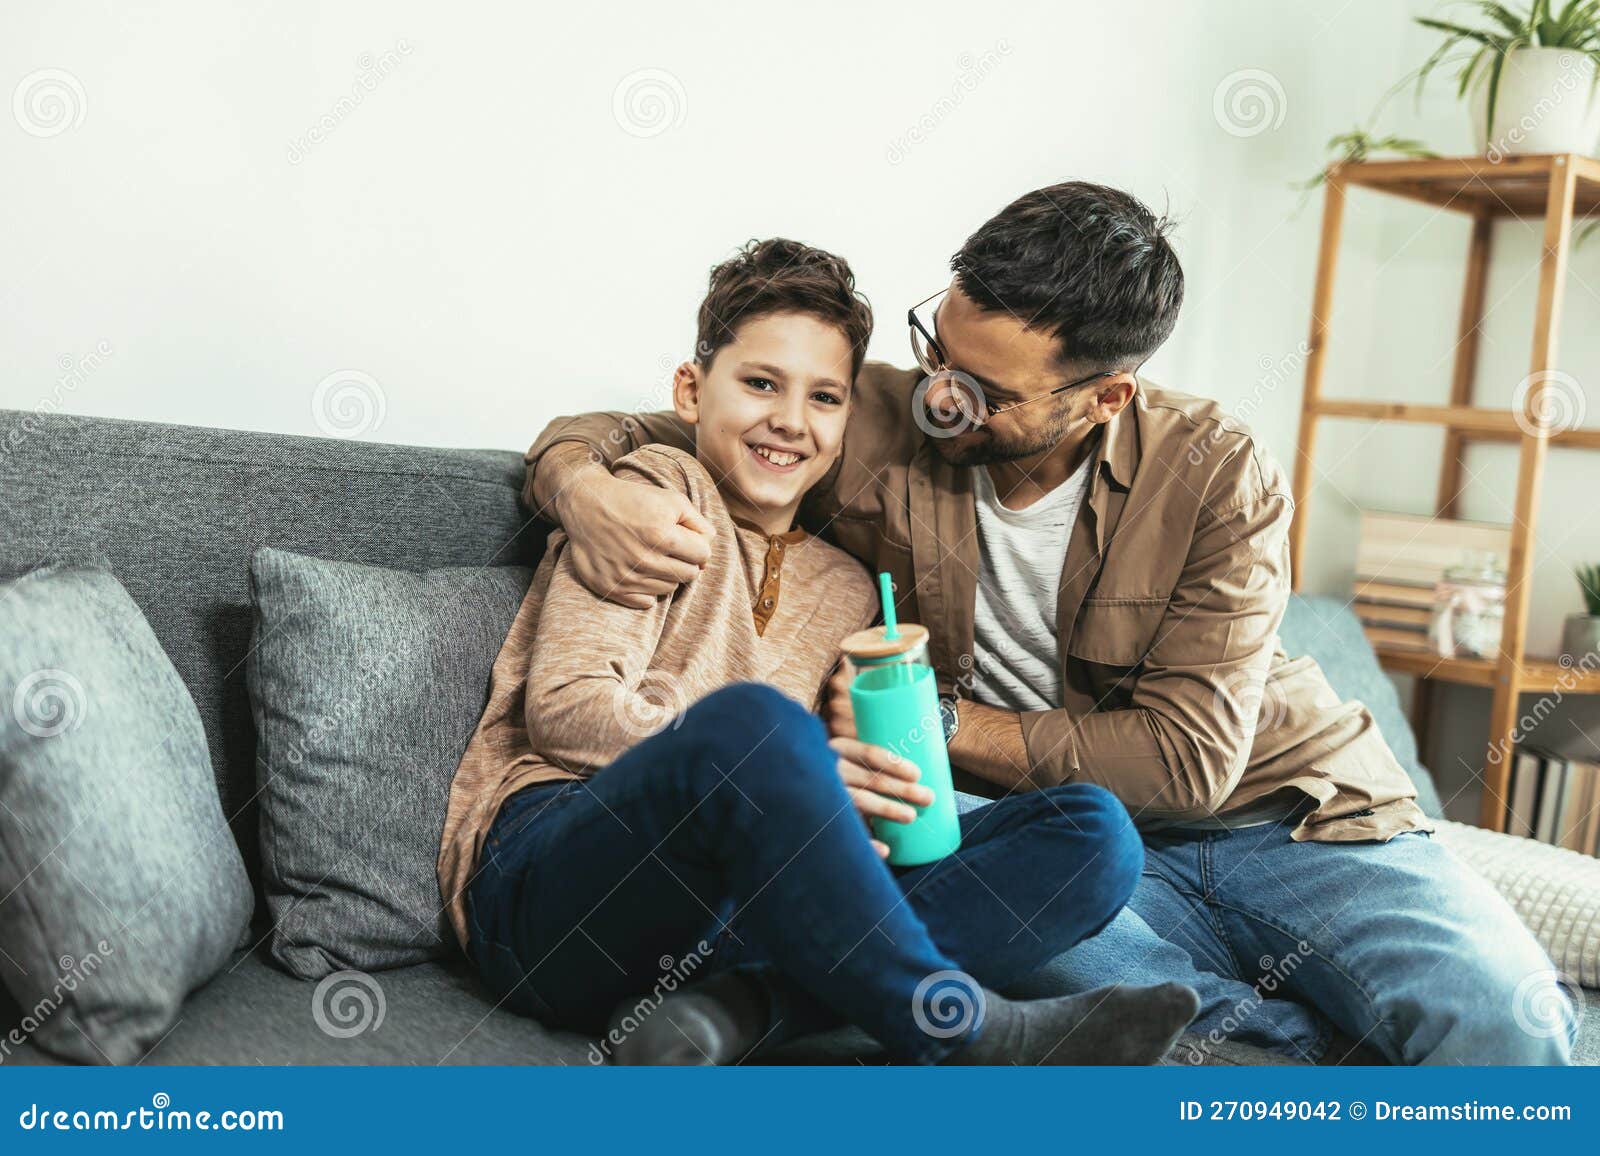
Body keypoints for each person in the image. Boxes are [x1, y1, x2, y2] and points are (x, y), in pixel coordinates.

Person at [522, 184, 1577, 1065]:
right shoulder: (880, 416)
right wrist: (580, 488)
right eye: (936, 349)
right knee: (1124, 1025)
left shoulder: (1215, 474)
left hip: (1292, 816)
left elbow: (1186, 761)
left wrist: (938, 724)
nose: (942, 398)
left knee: (1509, 1027)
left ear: (1104, 396)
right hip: (1060, 839)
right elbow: (653, 425)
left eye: (985, 391)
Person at [438, 237, 1200, 1066]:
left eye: (825, 397)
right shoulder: (652, 497)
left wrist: (856, 798)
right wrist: (789, 763)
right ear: (691, 391)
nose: (790, 420)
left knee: (1094, 834)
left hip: (722, 919)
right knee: (756, 725)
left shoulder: (850, 588)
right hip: (553, 884)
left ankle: (738, 1009)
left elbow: (795, 807)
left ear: (847, 420)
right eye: (760, 384)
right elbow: (565, 712)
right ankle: (964, 1030)